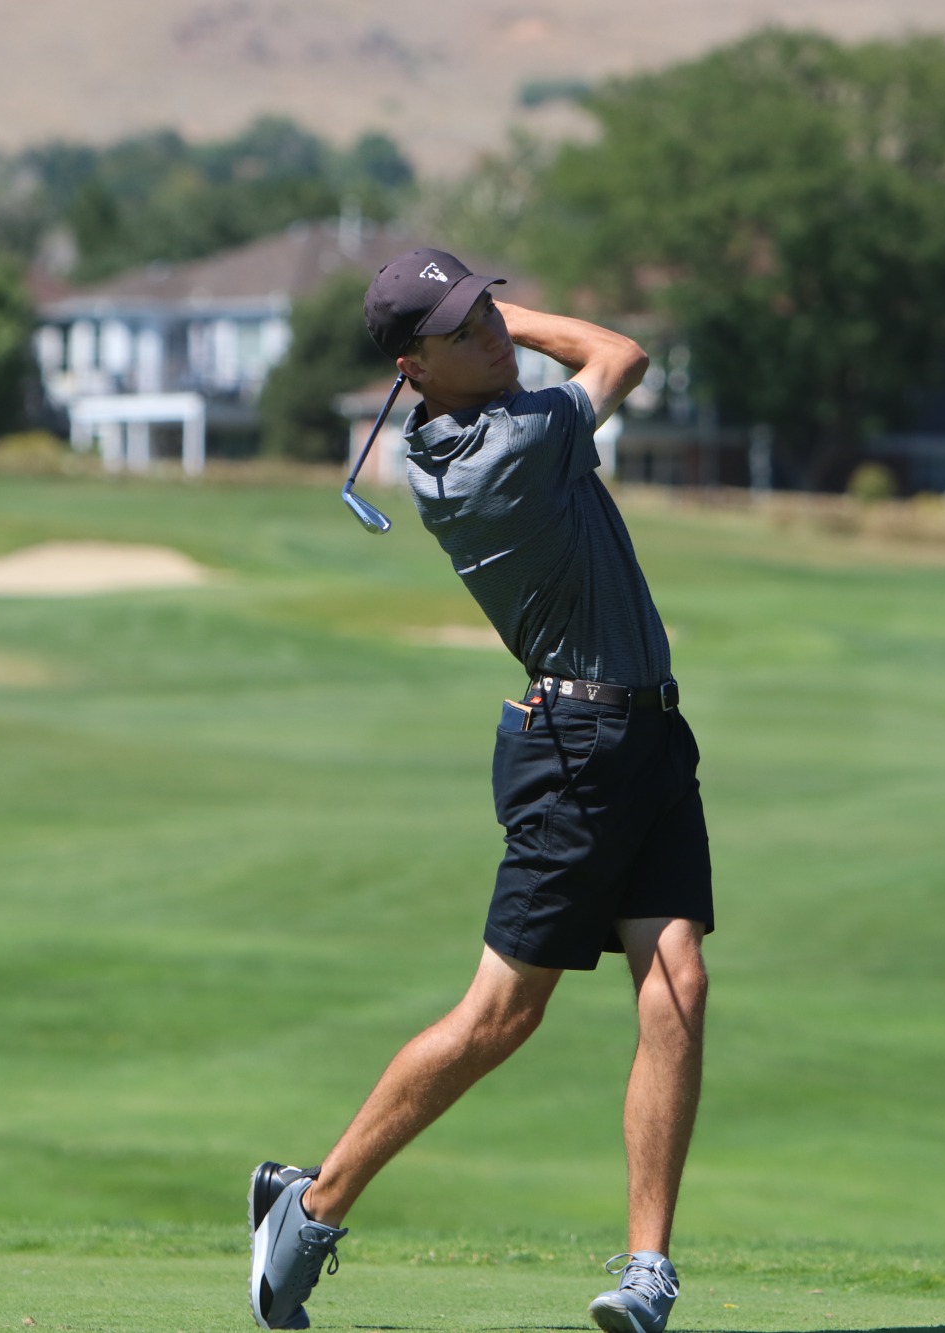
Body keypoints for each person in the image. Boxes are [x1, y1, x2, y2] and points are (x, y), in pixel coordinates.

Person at [249, 248, 713, 1333]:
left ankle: (646, 1270)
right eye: (465, 331)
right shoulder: (507, 447)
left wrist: (477, 318)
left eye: (489, 313)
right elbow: (619, 351)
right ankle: (308, 1208)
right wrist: (519, 312)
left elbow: (585, 359)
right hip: (575, 748)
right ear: (412, 367)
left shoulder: (485, 416)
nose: (495, 337)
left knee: (677, 973)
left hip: (644, 734)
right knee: (501, 1016)